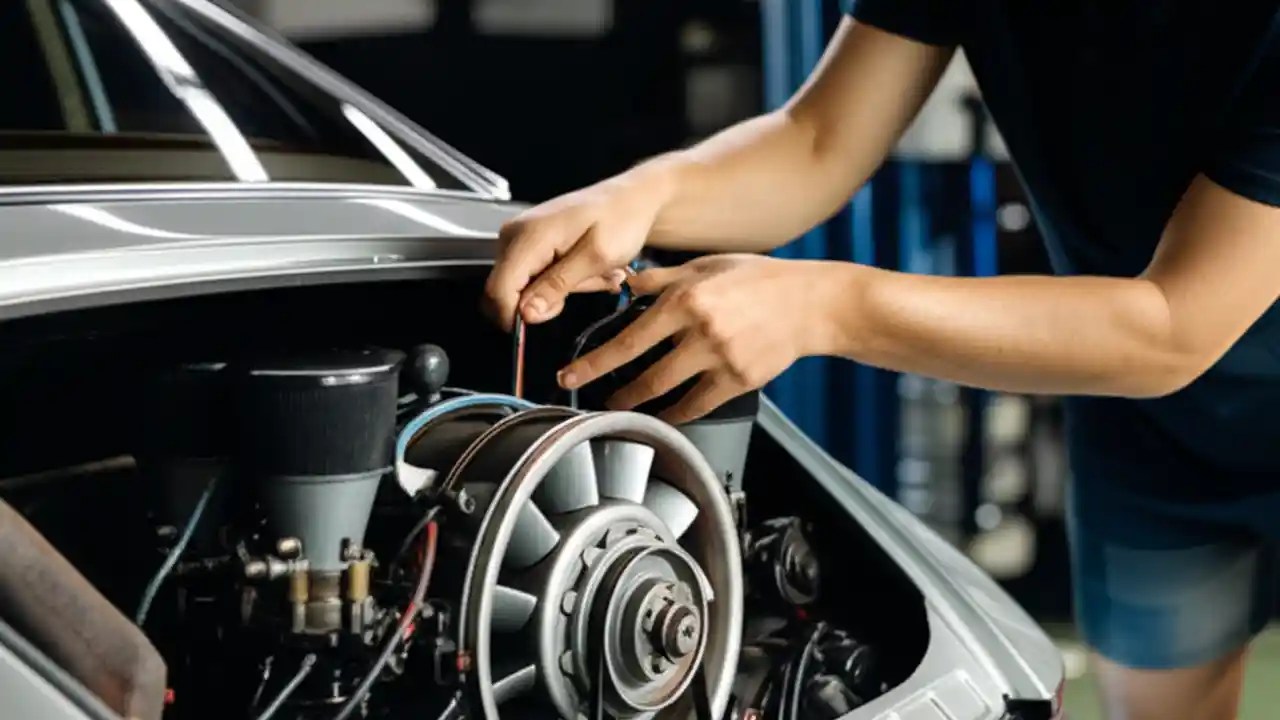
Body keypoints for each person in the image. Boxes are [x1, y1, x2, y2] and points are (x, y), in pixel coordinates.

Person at [482, 4, 1280, 719]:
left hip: (1157, 358)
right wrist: (640, 196)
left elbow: (1174, 324)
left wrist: (820, 306)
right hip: (1144, 427)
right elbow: (817, 141)